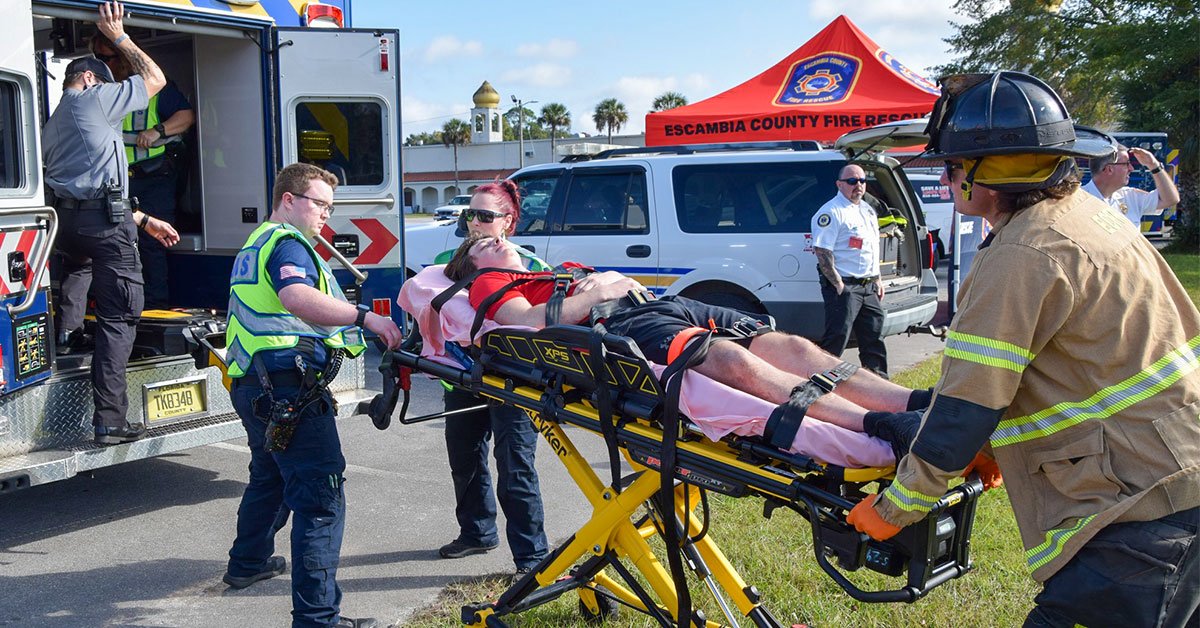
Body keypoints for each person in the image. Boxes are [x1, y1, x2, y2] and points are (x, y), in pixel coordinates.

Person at [845, 71, 1200, 628]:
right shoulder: (1087, 215)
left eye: (954, 165)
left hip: (1138, 512)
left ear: (987, 173)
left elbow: (967, 404)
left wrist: (898, 506)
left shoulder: (1021, 254)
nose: (948, 176)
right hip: (1176, 473)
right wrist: (994, 446)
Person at [443, 233, 931, 438]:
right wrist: (604, 288)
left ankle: (914, 401)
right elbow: (528, 324)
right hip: (622, 323)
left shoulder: (548, 268)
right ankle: (878, 425)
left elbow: (613, 283)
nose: (494, 238)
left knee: (791, 346)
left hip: (659, 304)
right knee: (734, 364)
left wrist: (612, 281)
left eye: (494, 233)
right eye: (482, 243)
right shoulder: (491, 281)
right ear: (474, 267)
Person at [222, 163, 402, 628]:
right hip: (287, 388)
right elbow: (297, 298)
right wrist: (367, 318)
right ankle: (318, 619)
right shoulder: (286, 242)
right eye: (320, 204)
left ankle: (248, 564)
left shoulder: (255, 241)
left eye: (330, 206)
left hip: (255, 384)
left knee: (270, 476)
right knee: (321, 498)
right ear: (288, 200)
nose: (327, 215)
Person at [42, 1, 180, 445]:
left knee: (80, 265)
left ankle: (65, 337)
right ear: (88, 79)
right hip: (104, 228)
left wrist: (143, 219)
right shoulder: (94, 98)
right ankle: (110, 421)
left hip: (70, 225)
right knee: (120, 317)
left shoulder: (53, 123)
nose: (116, 88)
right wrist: (118, 36)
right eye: (108, 79)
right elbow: (154, 79)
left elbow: (91, 188)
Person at [430, 181, 550, 576]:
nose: (475, 224)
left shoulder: (530, 265)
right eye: (470, 215)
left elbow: (547, 327)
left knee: (515, 467)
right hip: (461, 376)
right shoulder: (447, 258)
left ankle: (531, 557)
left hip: (515, 382)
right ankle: (477, 532)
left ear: (508, 222)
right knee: (464, 459)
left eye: (485, 216)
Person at [91, 32, 196, 308]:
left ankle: (156, 308)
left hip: (153, 179)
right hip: (118, 181)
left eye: (106, 58)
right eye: (97, 58)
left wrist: (157, 130)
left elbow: (186, 117)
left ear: (123, 59)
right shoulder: (101, 90)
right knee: (113, 243)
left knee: (152, 246)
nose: (101, 63)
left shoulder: (154, 89)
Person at [811, 164, 888, 377]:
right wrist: (839, 285)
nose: (859, 186)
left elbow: (872, 248)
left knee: (874, 338)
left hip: (869, 285)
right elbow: (822, 251)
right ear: (839, 184)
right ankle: (821, 381)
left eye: (862, 181)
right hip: (846, 286)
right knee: (837, 338)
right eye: (852, 181)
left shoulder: (866, 210)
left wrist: (878, 280)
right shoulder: (831, 211)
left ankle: (878, 383)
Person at [1082, 143, 1180, 228]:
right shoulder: (1079, 200)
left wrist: (1154, 165)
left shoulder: (1131, 196)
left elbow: (1170, 199)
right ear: (1109, 169)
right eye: (1126, 164)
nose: (1131, 168)